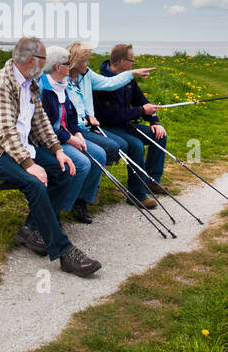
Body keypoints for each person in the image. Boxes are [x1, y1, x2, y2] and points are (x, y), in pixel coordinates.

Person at [0, 36, 101, 277]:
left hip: (20, 146)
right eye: (43, 58)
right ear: (30, 60)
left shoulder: (31, 82)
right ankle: (64, 252)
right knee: (35, 182)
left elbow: (41, 123)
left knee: (65, 171)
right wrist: (30, 165)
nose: (47, 62)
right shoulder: (1, 84)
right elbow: (5, 132)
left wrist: (58, 151)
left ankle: (30, 228)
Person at [92, 43, 167, 208]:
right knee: (137, 146)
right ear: (119, 61)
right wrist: (141, 111)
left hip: (125, 124)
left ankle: (151, 180)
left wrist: (154, 121)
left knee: (159, 135)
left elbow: (141, 100)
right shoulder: (103, 83)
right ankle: (136, 195)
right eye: (131, 60)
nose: (134, 63)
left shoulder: (128, 78)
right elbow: (112, 117)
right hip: (108, 127)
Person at [63, 41, 153, 177]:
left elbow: (109, 83)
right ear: (76, 61)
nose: (88, 63)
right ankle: (90, 185)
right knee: (112, 147)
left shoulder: (87, 74)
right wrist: (86, 119)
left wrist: (132, 73)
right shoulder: (61, 80)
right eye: (85, 60)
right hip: (75, 129)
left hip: (89, 127)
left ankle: (92, 180)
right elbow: (66, 109)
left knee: (118, 146)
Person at [39, 46, 103, 223]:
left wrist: (77, 132)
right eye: (67, 64)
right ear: (58, 67)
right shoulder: (43, 89)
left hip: (66, 135)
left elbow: (71, 113)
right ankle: (60, 208)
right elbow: (46, 127)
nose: (71, 66)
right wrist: (70, 139)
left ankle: (79, 200)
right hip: (49, 141)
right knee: (82, 163)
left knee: (99, 155)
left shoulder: (62, 84)